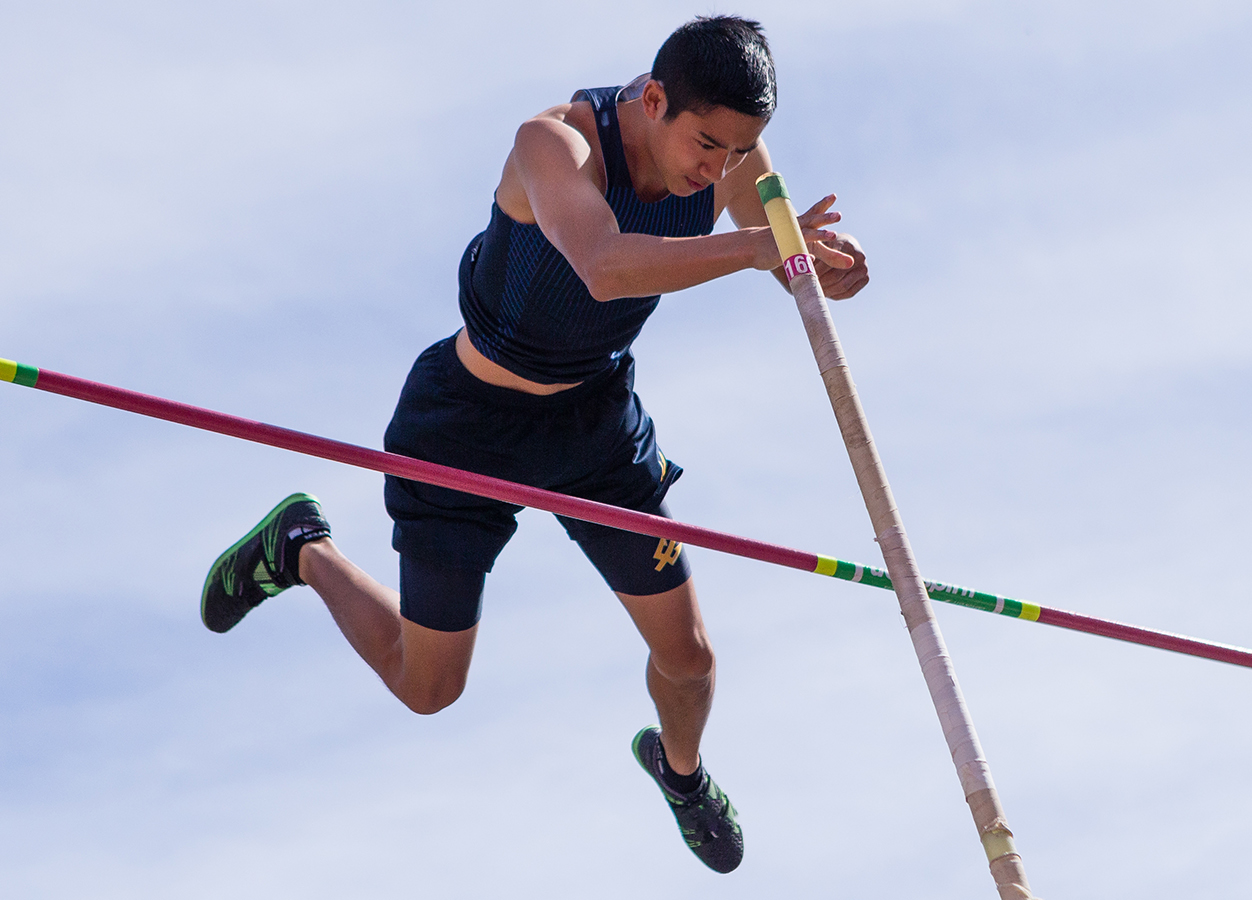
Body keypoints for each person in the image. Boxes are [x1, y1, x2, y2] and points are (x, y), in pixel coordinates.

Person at [199, 15, 868, 873]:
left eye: (740, 153)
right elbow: (603, 263)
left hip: (594, 426)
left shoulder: (735, 161)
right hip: (467, 425)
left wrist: (826, 273)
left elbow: (782, 255)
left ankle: (680, 768)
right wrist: (758, 246)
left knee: (690, 660)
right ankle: (302, 548)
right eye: (707, 146)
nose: (721, 170)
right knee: (429, 687)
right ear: (654, 98)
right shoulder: (552, 142)